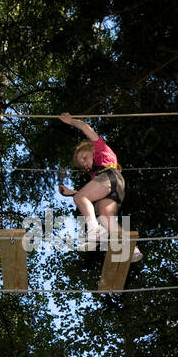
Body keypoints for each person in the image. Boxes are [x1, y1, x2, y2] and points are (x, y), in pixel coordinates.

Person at [57, 111, 142, 261]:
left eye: (84, 157)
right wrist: (72, 192)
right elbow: (92, 195)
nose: (84, 163)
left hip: (110, 177)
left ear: (92, 148)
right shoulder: (95, 174)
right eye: (82, 163)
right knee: (105, 218)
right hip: (115, 187)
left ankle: (94, 231)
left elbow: (85, 127)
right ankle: (132, 248)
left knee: (81, 197)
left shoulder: (100, 149)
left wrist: (71, 121)